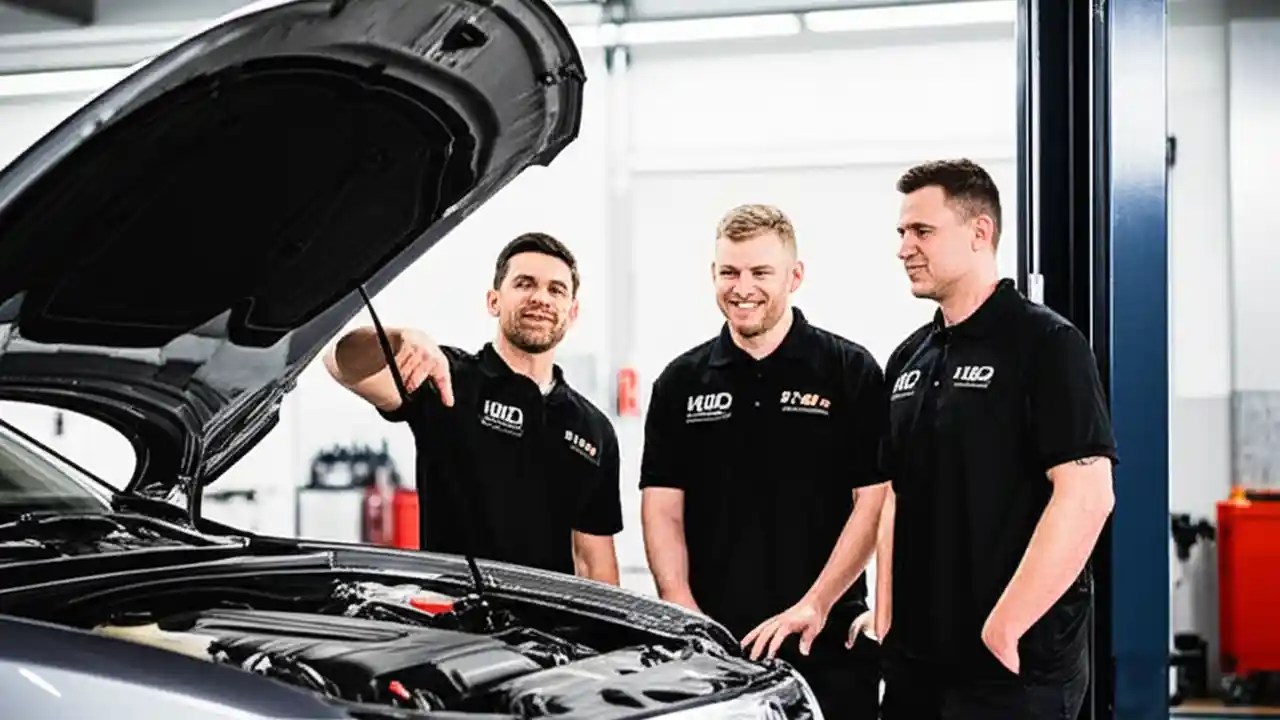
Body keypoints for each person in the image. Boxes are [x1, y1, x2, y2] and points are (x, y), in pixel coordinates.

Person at [874, 159, 1118, 719]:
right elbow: (894, 495)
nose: (905, 247)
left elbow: (1087, 496)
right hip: (917, 666)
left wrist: (1006, 626)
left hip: (1011, 668)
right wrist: (886, 613)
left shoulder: (1046, 343)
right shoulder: (908, 358)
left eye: (922, 231)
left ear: (980, 232)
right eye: (902, 232)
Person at [639, 204, 889, 719]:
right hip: (713, 650)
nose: (742, 286)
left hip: (825, 642)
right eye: (729, 272)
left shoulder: (849, 370)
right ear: (712, 275)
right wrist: (681, 607)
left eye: (760, 272)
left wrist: (816, 603)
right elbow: (662, 508)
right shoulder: (680, 383)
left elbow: (873, 501)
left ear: (794, 277)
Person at [324, 232, 623, 584]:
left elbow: (594, 563)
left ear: (572, 313)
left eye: (556, 289)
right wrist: (398, 338)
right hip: (457, 628)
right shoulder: (445, 375)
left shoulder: (594, 429)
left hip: (548, 633)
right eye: (524, 283)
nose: (540, 297)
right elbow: (339, 363)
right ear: (493, 301)